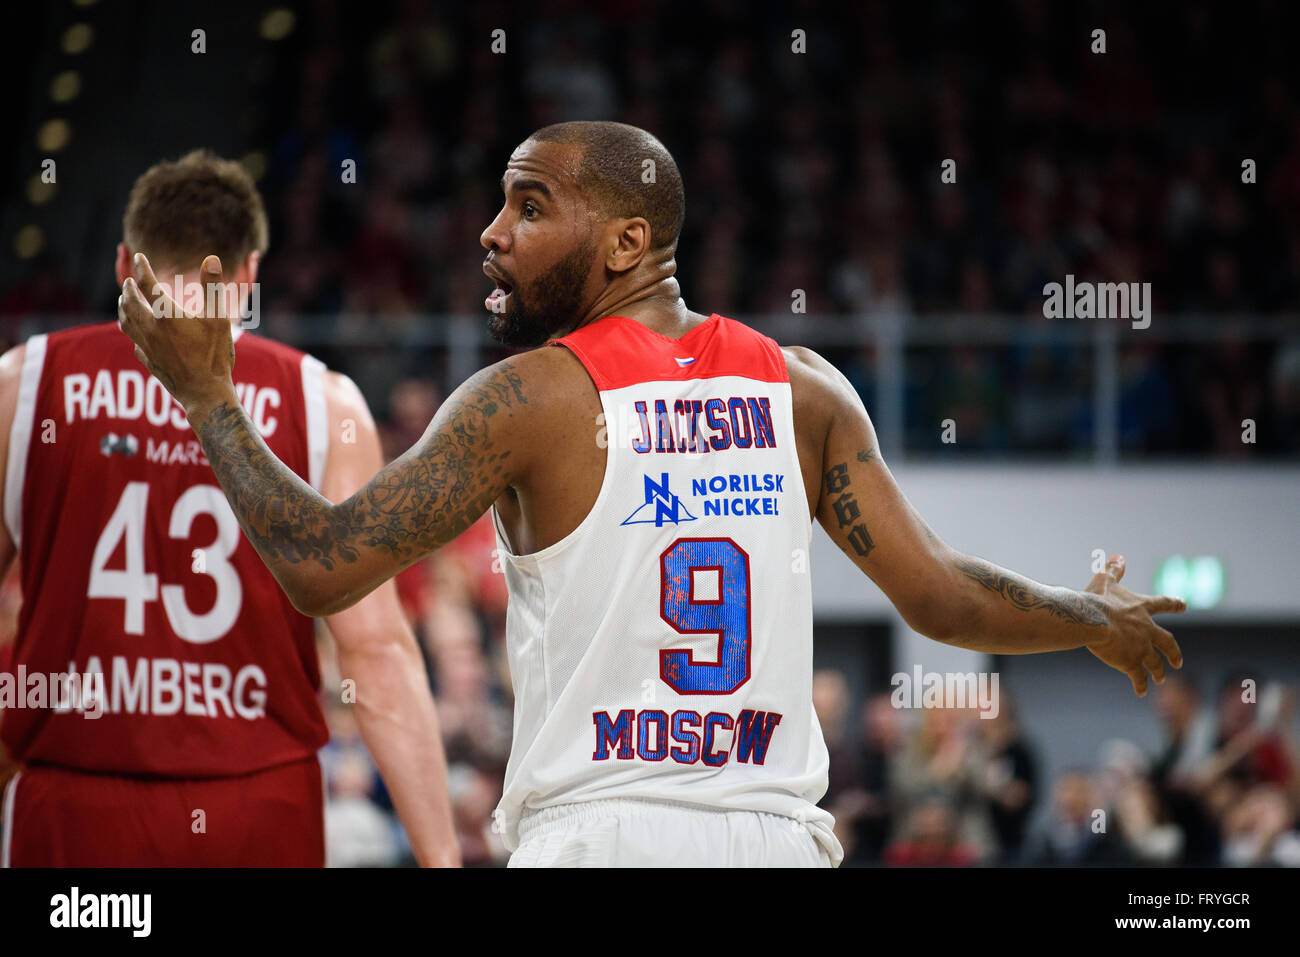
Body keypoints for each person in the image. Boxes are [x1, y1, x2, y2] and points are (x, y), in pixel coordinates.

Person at [118, 122, 1187, 867]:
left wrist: (210, 395)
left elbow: (319, 564)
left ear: (629, 242)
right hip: (775, 839)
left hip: (603, 836)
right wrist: (1088, 616)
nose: (491, 233)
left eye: (528, 208)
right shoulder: (801, 387)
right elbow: (942, 595)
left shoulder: (528, 397)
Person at [0, 150, 458, 867]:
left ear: (125, 266)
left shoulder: (23, 385)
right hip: (258, 801)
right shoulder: (322, 401)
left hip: (75, 800)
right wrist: (441, 858)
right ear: (246, 276)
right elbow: (375, 649)